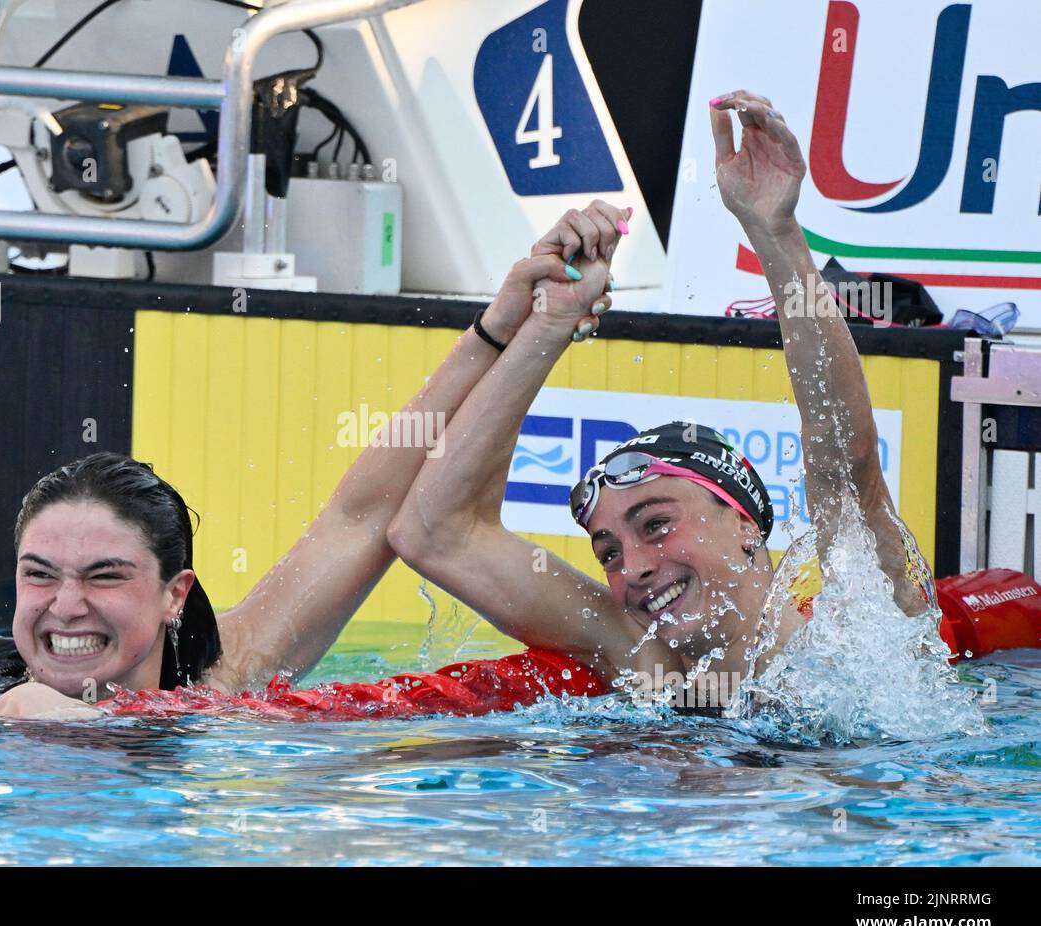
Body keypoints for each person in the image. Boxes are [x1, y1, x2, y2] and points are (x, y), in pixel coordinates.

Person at [387, 90, 934, 709]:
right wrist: (547, 328)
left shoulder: (858, 635)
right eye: (609, 553)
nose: (635, 569)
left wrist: (773, 230)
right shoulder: (646, 660)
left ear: (746, 525)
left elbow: (844, 461)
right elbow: (433, 532)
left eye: (656, 524)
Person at [0, 207, 618, 720]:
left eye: (103, 576)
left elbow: (360, 519)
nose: (65, 606)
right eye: (39, 575)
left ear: (176, 594)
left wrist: (503, 325)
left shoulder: (226, 678)